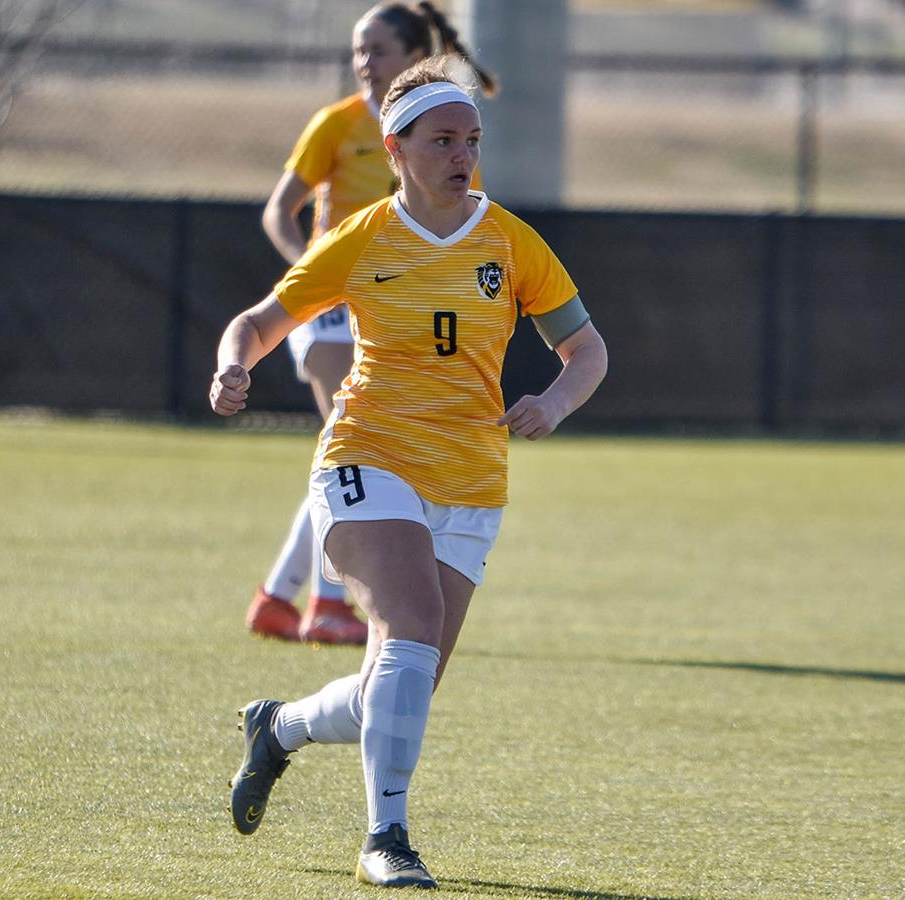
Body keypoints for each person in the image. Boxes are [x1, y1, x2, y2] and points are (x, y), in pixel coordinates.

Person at [211, 60, 608, 889]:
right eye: (441, 140)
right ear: (395, 148)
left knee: (400, 680)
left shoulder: (510, 240)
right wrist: (233, 367)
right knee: (411, 628)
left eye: (470, 139)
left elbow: (586, 350)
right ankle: (385, 838)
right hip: (367, 455)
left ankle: (277, 727)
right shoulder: (360, 238)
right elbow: (258, 321)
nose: (461, 155)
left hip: (471, 481)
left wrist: (556, 403)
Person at [246, 1, 498, 646]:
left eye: (378, 50)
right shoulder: (335, 124)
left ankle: (278, 596)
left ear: (414, 58)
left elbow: (461, 225)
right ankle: (327, 603)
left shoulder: (444, 137)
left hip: (396, 312)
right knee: (352, 445)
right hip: (334, 310)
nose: (364, 62)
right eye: (359, 50)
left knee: (360, 454)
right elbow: (281, 212)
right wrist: (314, 272)